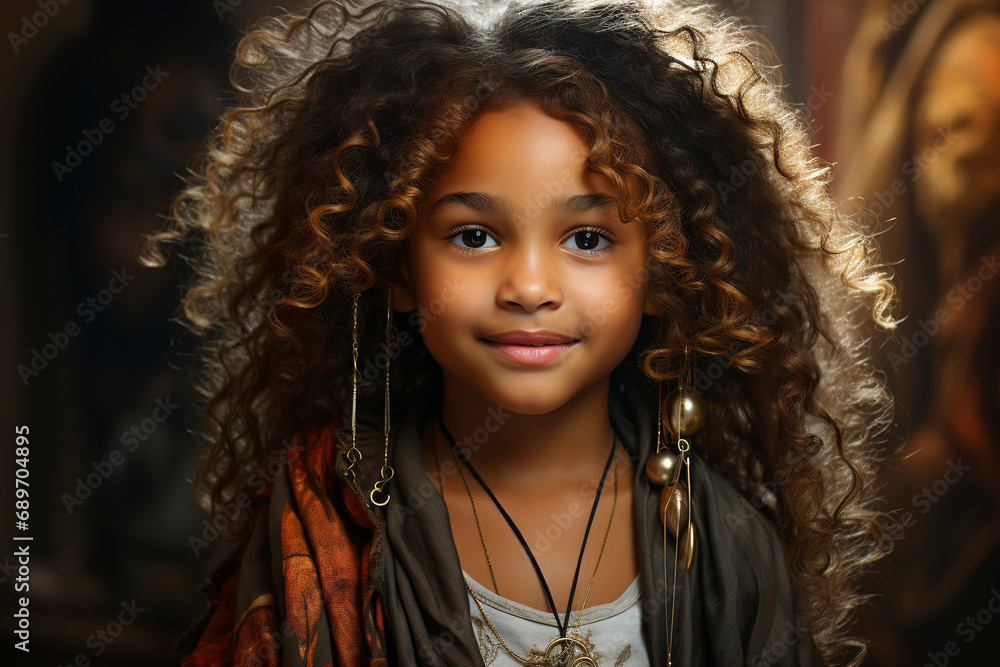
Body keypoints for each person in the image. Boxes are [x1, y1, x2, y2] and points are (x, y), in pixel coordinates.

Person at [140, 1, 900, 665]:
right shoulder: (322, 522)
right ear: (396, 265)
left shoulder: (730, 546)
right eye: (473, 236)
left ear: (663, 268)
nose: (530, 288)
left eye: (588, 239)